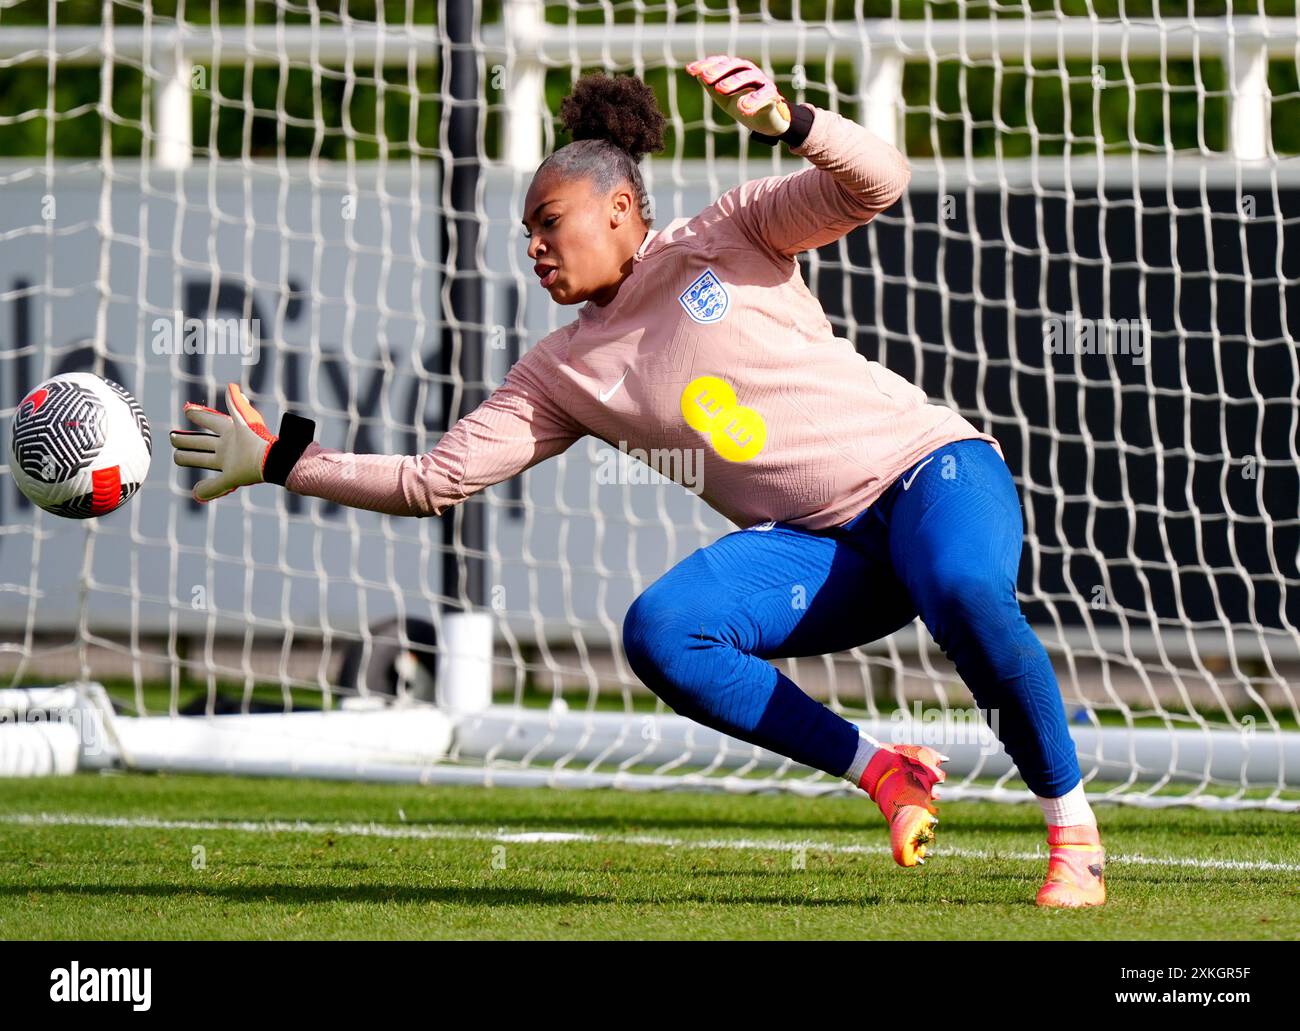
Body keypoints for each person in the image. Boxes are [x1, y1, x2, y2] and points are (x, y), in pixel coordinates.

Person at [171, 57, 1105, 907]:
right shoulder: (559, 371)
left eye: (550, 223)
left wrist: (792, 119)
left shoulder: (731, 230)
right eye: (525, 232)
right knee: (661, 630)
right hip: (825, 553)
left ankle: (1074, 837)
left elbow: (880, 182)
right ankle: (880, 772)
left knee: (963, 588)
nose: (533, 248)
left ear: (620, 208)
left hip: (931, 475)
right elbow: (434, 479)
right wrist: (281, 462)